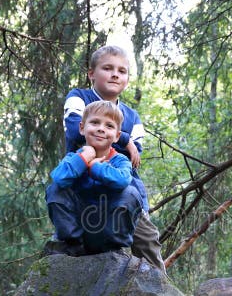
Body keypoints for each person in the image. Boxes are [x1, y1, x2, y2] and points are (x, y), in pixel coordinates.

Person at [61, 45, 165, 270]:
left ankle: (162, 292)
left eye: (122, 71)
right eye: (107, 68)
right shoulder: (78, 98)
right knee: (70, 242)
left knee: (147, 239)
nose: (115, 74)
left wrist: (126, 140)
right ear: (92, 73)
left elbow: (133, 155)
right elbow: (73, 130)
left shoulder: (132, 116)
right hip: (81, 184)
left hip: (122, 189)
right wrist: (123, 139)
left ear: (127, 78)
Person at [46, 100, 142, 255]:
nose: (101, 129)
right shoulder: (74, 157)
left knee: (131, 193)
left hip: (108, 226)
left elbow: (123, 180)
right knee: (56, 189)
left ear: (117, 136)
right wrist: (84, 159)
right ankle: (72, 245)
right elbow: (58, 178)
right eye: (95, 122)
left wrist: (95, 167)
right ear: (82, 128)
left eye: (109, 126)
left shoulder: (120, 160)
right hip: (79, 229)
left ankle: (113, 248)